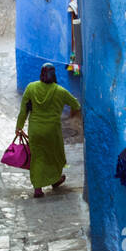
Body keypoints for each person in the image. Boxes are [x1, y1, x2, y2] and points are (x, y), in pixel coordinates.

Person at [15, 63, 80, 198]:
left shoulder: (31, 88)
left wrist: (19, 127)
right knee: (54, 155)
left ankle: (38, 189)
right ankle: (55, 179)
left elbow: (23, 111)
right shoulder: (60, 91)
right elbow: (76, 105)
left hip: (35, 130)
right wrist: (72, 114)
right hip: (52, 131)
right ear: (54, 75)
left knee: (37, 158)